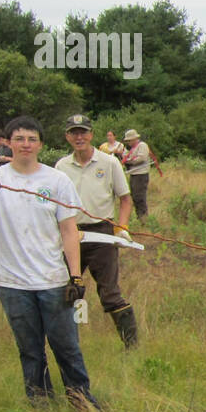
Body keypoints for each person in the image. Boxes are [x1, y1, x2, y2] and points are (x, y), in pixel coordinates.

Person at [0, 115, 103, 412]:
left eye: (31, 139)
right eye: (19, 138)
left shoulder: (57, 180)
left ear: (41, 144)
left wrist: (76, 277)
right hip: (12, 284)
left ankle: (82, 403)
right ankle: (40, 405)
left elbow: (69, 231)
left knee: (67, 348)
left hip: (53, 281)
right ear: (8, 142)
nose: (25, 144)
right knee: (30, 351)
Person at [56, 114, 139, 347]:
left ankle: (131, 347)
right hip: (71, 232)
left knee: (110, 293)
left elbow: (125, 199)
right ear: (67, 137)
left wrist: (122, 228)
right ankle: (65, 344)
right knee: (66, 288)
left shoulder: (109, 162)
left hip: (102, 232)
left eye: (83, 132)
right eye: (74, 132)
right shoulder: (61, 166)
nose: (79, 137)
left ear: (91, 134)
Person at [122, 129, 152, 218]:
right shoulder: (131, 148)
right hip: (134, 174)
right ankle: (140, 216)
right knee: (134, 196)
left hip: (141, 174)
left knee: (139, 197)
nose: (128, 143)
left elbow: (141, 158)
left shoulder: (142, 145)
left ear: (135, 139)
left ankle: (143, 217)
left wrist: (129, 161)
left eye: (129, 140)